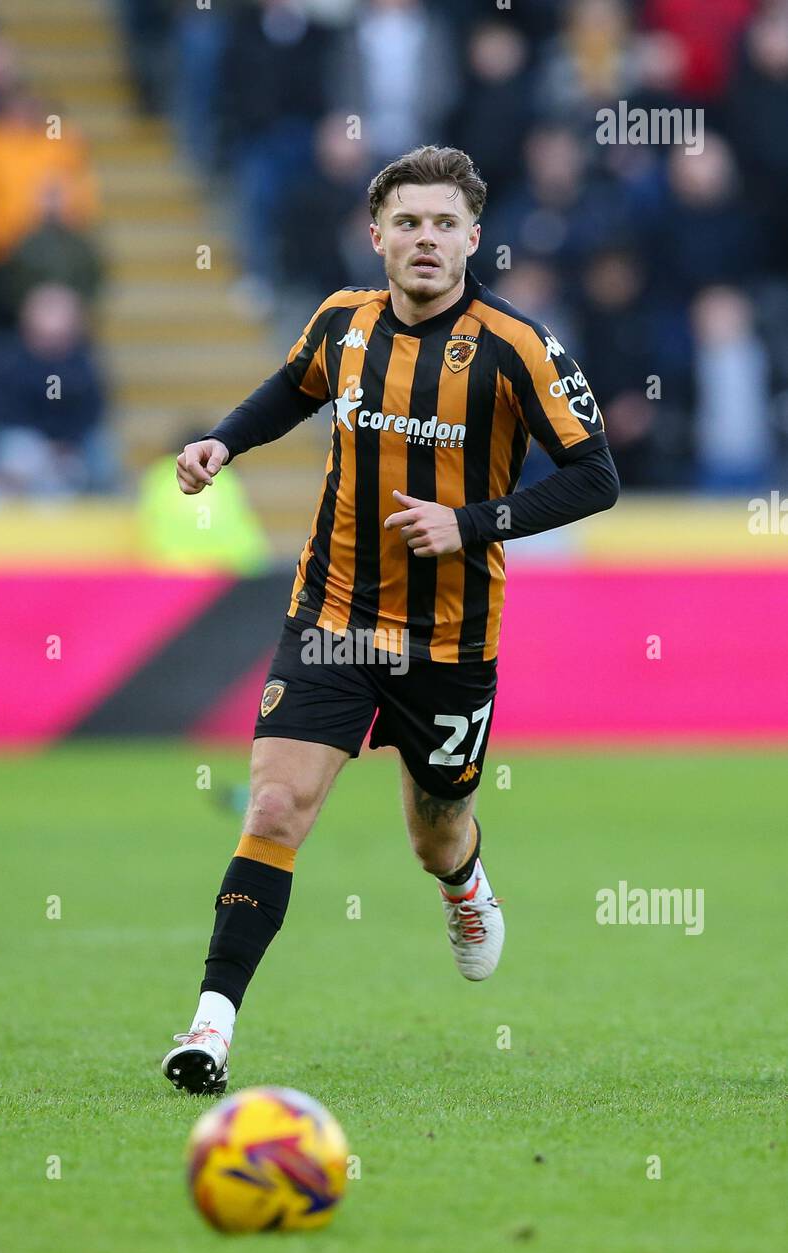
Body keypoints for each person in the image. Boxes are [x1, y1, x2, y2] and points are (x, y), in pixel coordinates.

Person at [163, 145, 619, 1095]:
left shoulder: (517, 347)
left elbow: (595, 476)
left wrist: (473, 522)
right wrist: (224, 441)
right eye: (407, 222)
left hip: (449, 641)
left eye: (444, 223)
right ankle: (210, 1028)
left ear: (473, 238)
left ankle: (464, 886)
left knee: (436, 832)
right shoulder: (342, 323)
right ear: (376, 236)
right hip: (331, 616)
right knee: (278, 806)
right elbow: (292, 388)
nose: (425, 239)